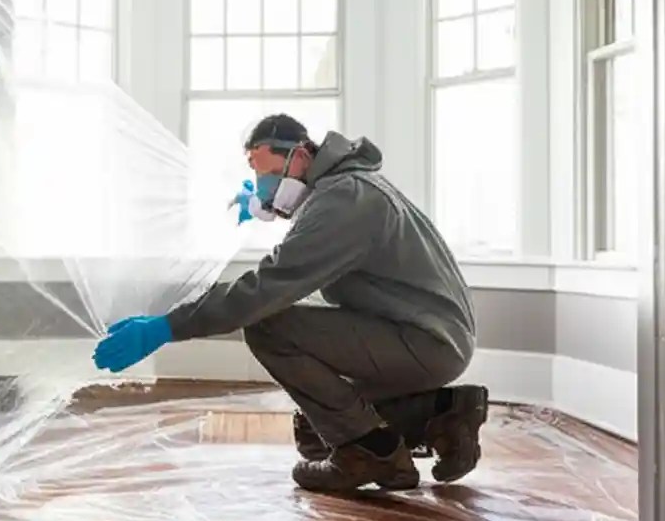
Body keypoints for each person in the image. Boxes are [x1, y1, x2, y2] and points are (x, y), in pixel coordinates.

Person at [92, 114, 489, 493]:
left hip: (425, 340)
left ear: (299, 156)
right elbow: (321, 225)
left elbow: (265, 288)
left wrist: (168, 326)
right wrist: (265, 206)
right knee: (312, 433)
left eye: (266, 174)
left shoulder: (344, 200)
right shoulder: (349, 187)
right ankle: (446, 414)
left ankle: (374, 454)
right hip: (427, 334)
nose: (261, 184)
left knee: (269, 326)